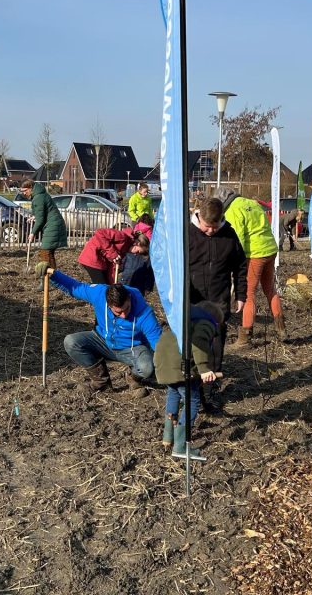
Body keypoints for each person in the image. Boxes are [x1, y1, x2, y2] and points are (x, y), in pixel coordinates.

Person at [36, 262, 161, 398]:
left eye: (127, 309)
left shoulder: (144, 313)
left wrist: (172, 364)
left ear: (129, 298)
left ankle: (134, 378)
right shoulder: (99, 294)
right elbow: (75, 287)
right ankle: (102, 382)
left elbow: (158, 343)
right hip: (103, 341)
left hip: (132, 349)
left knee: (147, 367)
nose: (124, 315)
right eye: (118, 312)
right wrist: (53, 274)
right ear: (108, 304)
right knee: (71, 342)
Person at [214, 188, 287, 343]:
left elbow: (237, 238)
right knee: (270, 290)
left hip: (255, 253)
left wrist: (231, 260)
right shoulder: (251, 203)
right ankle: (281, 329)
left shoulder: (233, 210)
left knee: (248, 294)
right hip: (270, 249)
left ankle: (245, 336)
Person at [154, 302, 222, 461]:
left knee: (173, 393)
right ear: (215, 321)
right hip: (179, 366)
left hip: (163, 362)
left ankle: (168, 436)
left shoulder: (183, 320)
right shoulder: (205, 323)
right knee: (192, 400)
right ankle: (180, 446)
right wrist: (204, 369)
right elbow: (199, 341)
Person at [188, 197, 246, 377]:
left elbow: (241, 266)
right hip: (192, 295)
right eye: (207, 226)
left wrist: (241, 295)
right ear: (199, 218)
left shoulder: (229, 235)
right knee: (192, 334)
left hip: (218, 295)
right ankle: (193, 371)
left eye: (215, 227)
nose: (211, 231)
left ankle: (214, 373)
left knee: (217, 334)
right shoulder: (186, 233)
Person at [21, 180, 67, 270]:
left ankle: (47, 280)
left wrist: (32, 233)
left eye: (25, 190)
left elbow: (41, 220)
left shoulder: (38, 198)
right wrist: (34, 217)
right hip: (54, 225)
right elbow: (43, 212)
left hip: (53, 226)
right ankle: (53, 279)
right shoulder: (40, 195)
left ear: (31, 188)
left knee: (45, 253)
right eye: (22, 191)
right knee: (49, 254)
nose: (24, 193)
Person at [78, 228, 149, 284]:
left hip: (101, 262)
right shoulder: (122, 237)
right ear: (137, 243)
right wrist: (113, 254)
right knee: (102, 287)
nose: (135, 254)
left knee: (106, 286)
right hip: (92, 257)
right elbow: (100, 233)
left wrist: (112, 284)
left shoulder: (125, 249)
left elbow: (113, 266)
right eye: (138, 251)